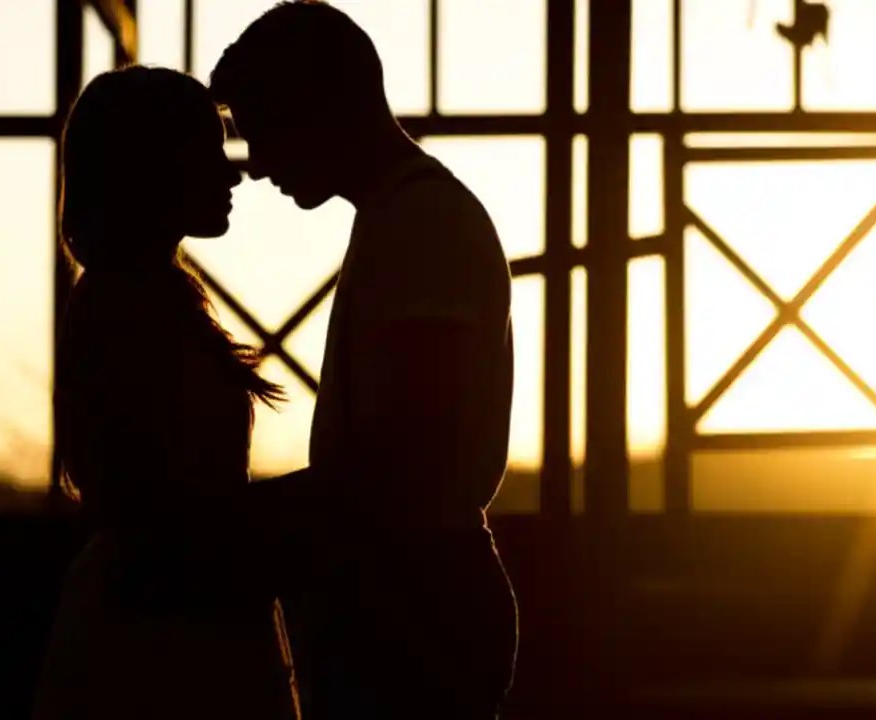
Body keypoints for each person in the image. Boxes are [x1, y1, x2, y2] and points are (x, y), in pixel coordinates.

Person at [209, 2, 519, 717]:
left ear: (316, 108)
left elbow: (403, 456)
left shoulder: (421, 225)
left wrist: (223, 526)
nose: (256, 168)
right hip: (414, 596)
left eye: (265, 132)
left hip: (415, 604)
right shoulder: (405, 217)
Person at [31, 65, 299, 720]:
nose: (233, 173)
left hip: (165, 609)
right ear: (152, 168)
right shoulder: (132, 308)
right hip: (168, 625)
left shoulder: (142, 299)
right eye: (210, 153)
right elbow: (165, 504)